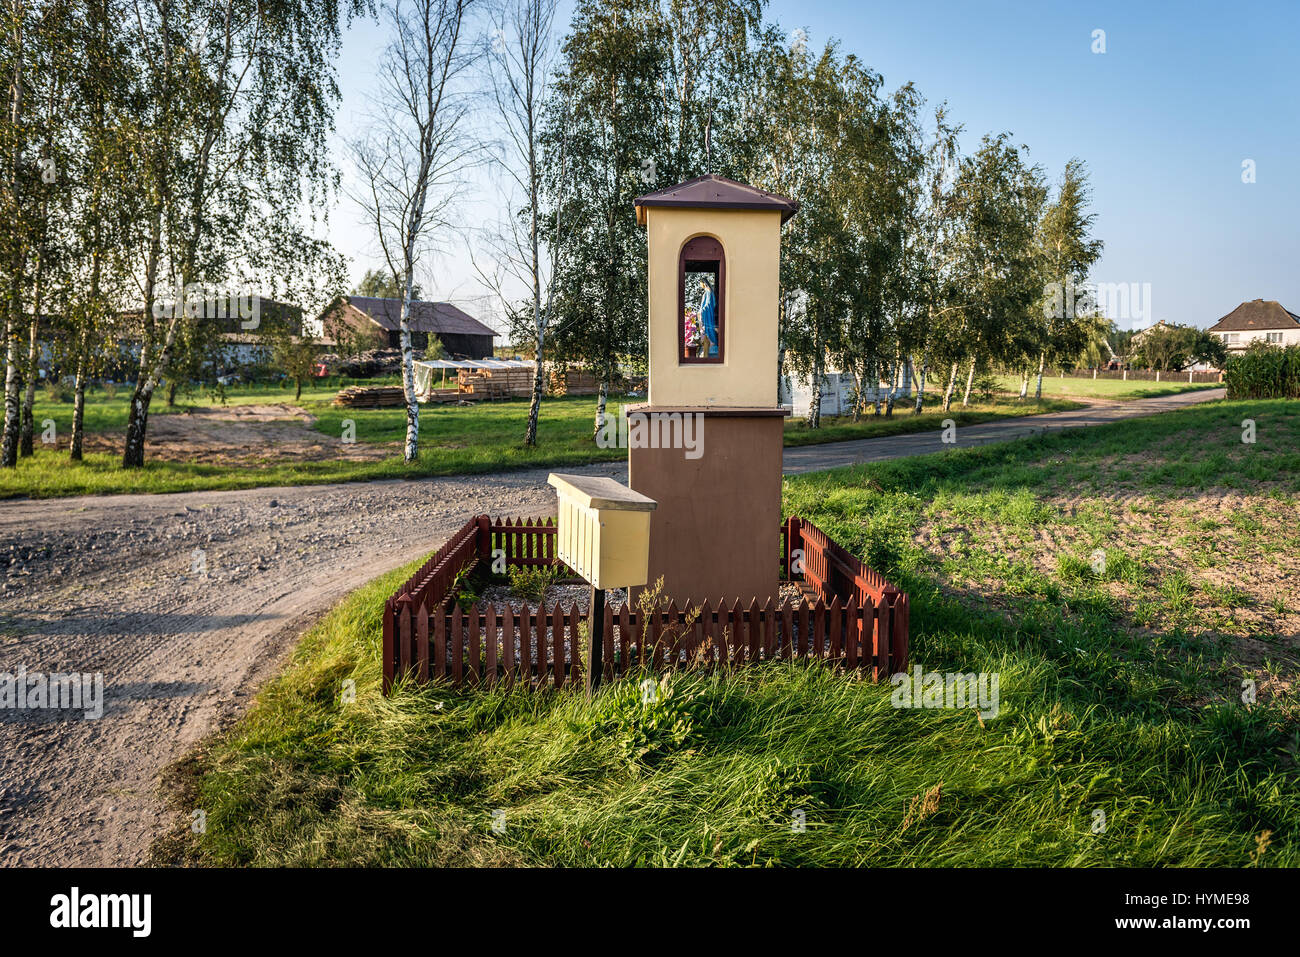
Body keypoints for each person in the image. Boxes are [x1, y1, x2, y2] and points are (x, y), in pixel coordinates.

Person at [697, 276, 717, 357]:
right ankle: (709, 341)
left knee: (707, 329)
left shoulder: (708, 292)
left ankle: (711, 341)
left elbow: (709, 304)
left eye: (701, 284)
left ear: (704, 284)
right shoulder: (707, 292)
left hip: (707, 314)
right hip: (705, 314)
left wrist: (702, 311)